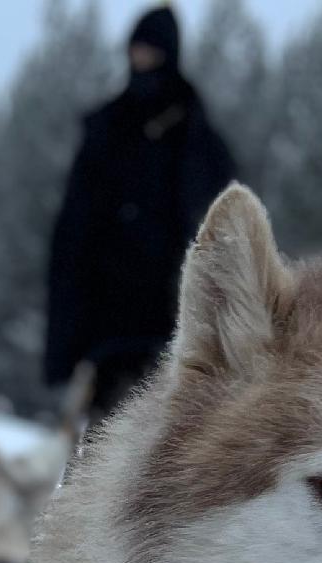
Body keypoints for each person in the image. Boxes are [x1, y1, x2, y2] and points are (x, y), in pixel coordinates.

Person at [43, 6, 238, 428]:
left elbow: (223, 233)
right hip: (108, 327)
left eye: (151, 52)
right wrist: (66, 339)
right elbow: (73, 236)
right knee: (104, 443)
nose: (141, 61)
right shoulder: (107, 130)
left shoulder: (199, 140)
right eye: (136, 50)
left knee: (166, 448)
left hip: (173, 324)